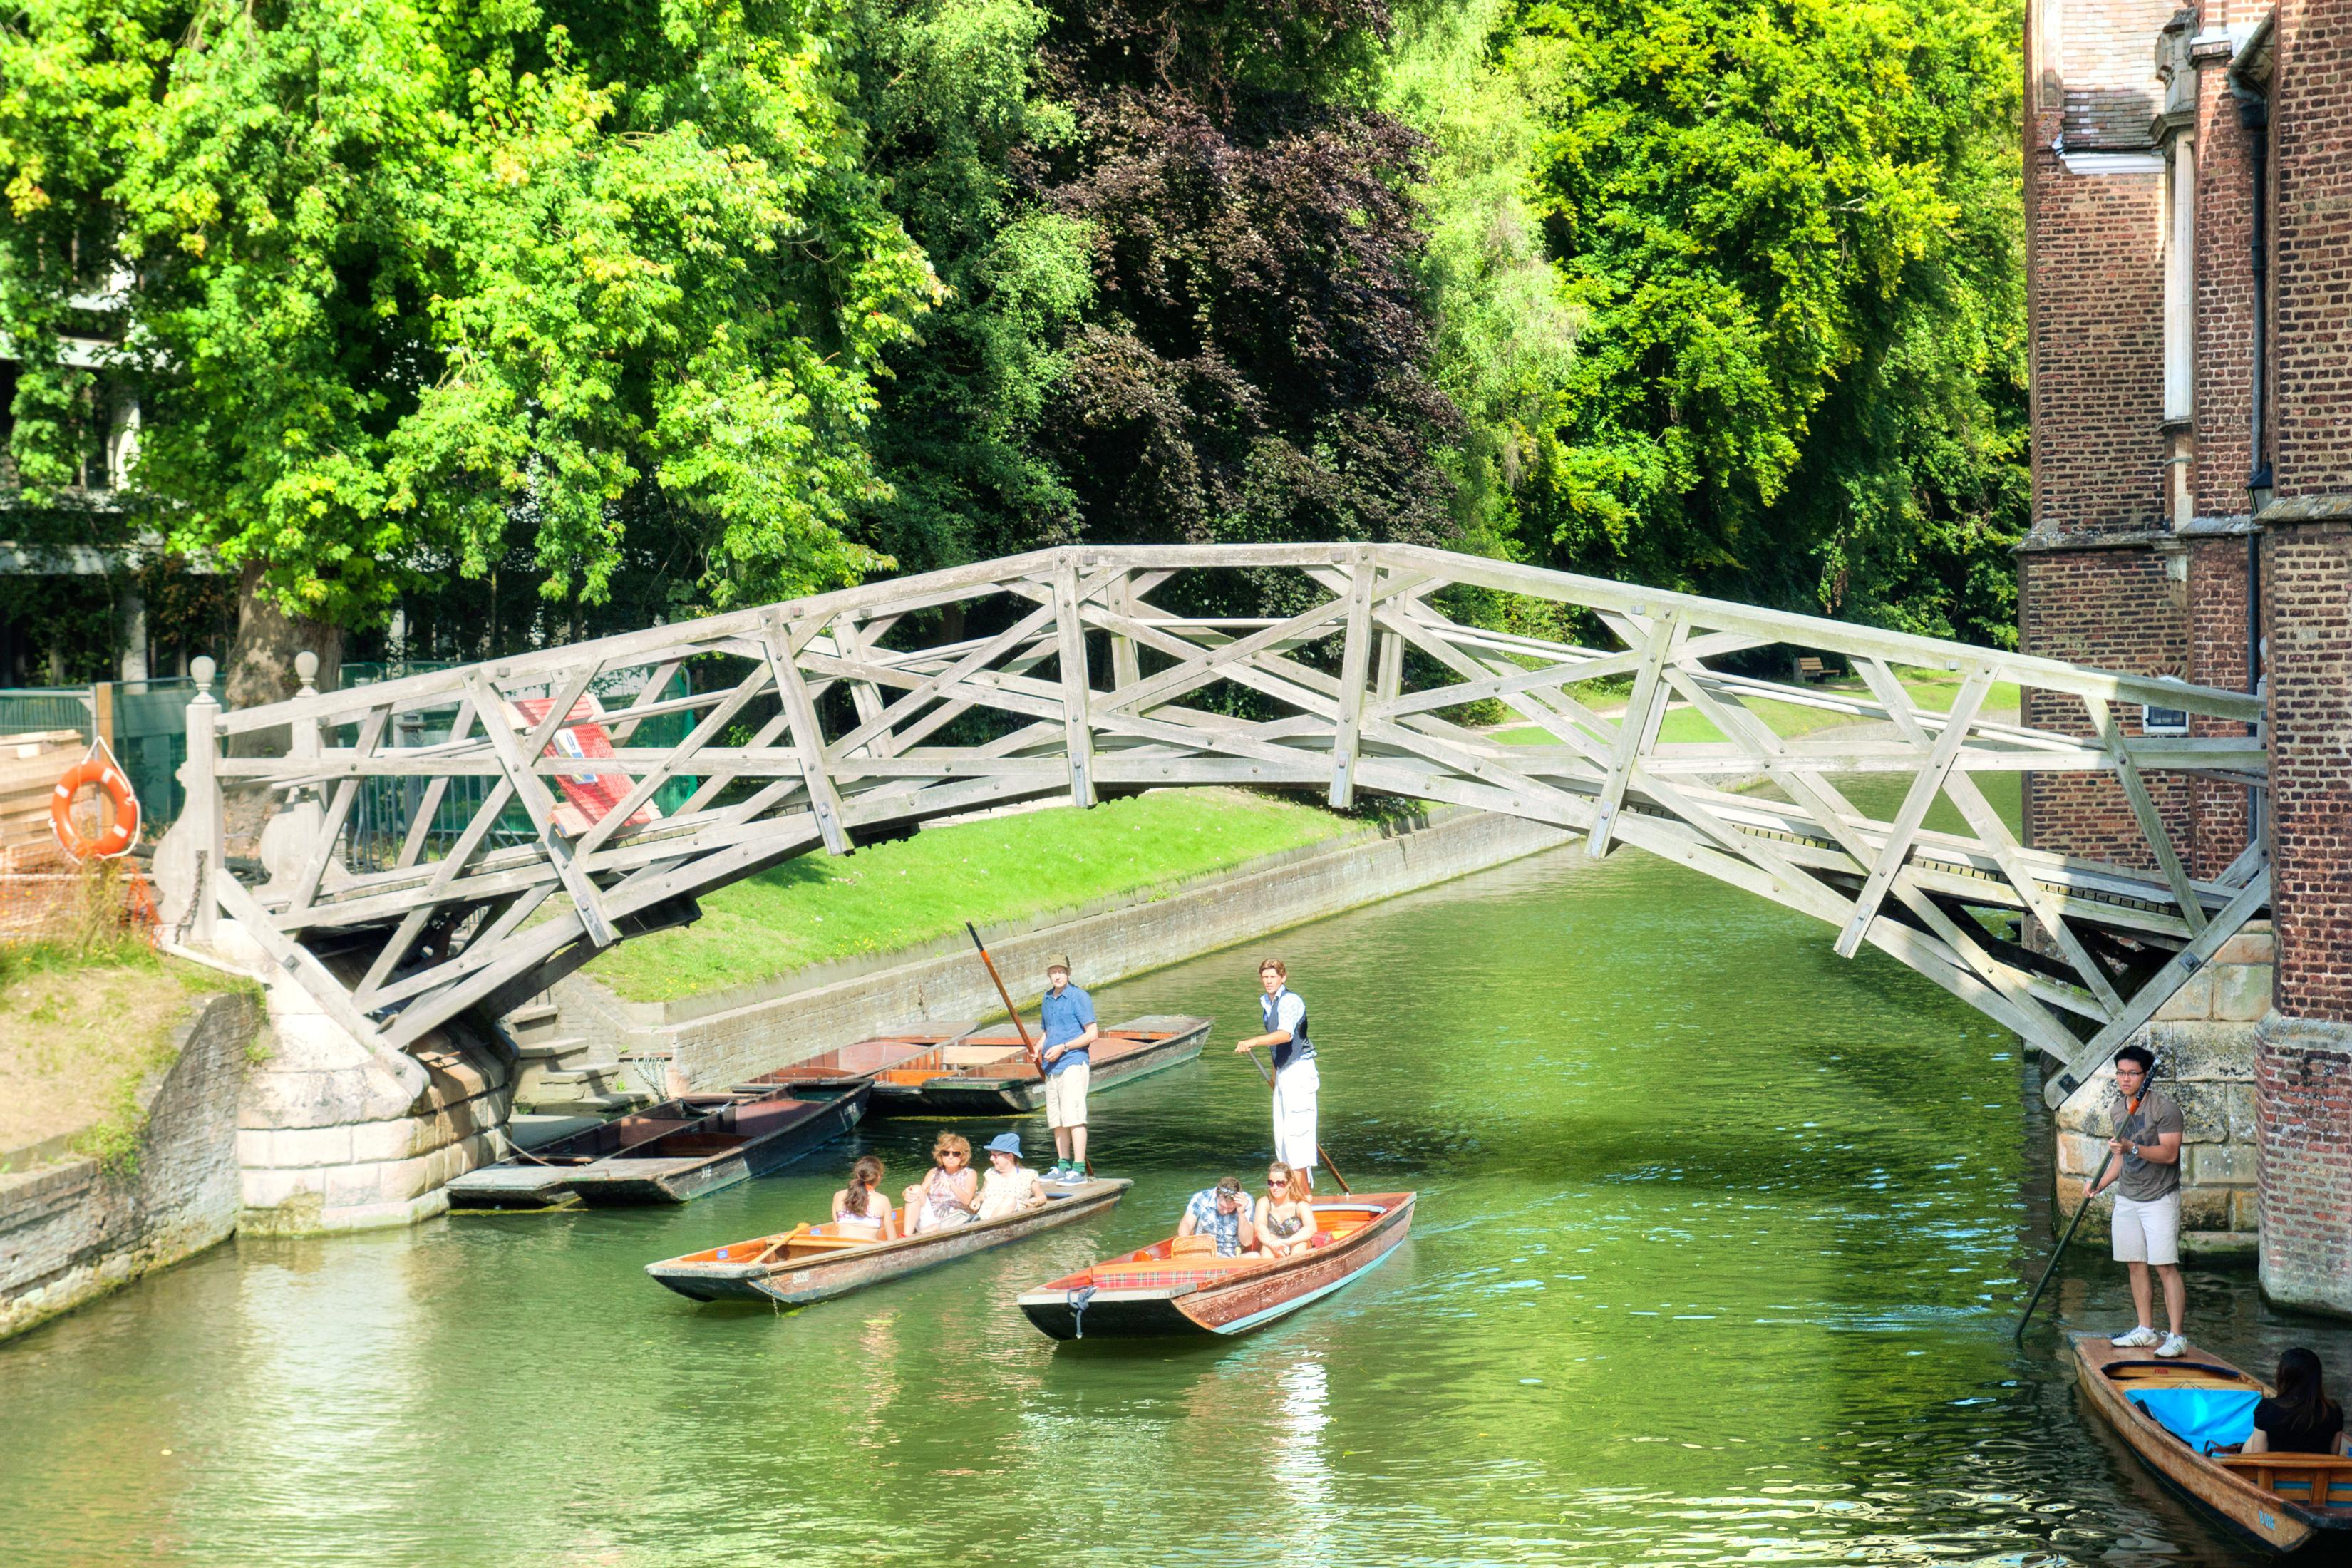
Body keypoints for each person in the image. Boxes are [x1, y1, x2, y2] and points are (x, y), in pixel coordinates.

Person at [2091, 1044, 2187, 1358]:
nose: (2125, 1078)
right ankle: (2145, 1330)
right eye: (2120, 1072)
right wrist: (2098, 1185)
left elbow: (2169, 1154)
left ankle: (2176, 1336)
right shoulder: (2117, 1111)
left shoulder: (2165, 1110)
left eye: (2132, 1073)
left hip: (2160, 1198)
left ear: (2146, 1076)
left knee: (2165, 1267)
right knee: (2135, 1265)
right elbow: (2120, 1163)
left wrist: (2133, 1147)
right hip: (2128, 1198)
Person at [1234, 956, 1318, 1192]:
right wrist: (1274, 1076)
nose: (1268, 981)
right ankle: (1293, 1198)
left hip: (1300, 1072)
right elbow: (1276, 1049)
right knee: (1282, 1139)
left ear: (1283, 978)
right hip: (1284, 1073)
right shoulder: (1267, 1003)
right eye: (1265, 977)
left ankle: (1306, 1200)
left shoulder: (1291, 1001)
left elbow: (1285, 1035)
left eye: (1273, 977)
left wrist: (1254, 1041)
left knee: (1297, 1138)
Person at [1037, 954, 1098, 1182]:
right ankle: (1063, 1165)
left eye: (1061, 971)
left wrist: (1063, 1047)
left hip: (1073, 1062)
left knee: (1074, 1116)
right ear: (1049, 974)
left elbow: (1092, 1033)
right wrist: (1037, 1047)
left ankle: (1079, 1168)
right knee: (1057, 1119)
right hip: (1051, 1066)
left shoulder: (1079, 997)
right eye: (1054, 971)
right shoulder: (1047, 998)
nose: (1058, 975)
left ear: (1069, 972)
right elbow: (1047, 1031)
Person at [2246, 1348, 2349, 1455]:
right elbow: (2334, 1456)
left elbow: (2258, 1458)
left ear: (2283, 1376)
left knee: (2252, 1438)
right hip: (2315, 1471)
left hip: (2277, 1471)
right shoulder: (2334, 1411)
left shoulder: (2266, 1408)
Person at [903, 1131, 979, 1235]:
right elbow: (920, 1192)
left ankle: (915, 1237)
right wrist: (906, 1193)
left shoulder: (970, 1174)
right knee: (915, 1189)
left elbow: (967, 1200)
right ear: (941, 1155)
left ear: (962, 1156)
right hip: (931, 1218)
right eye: (946, 1153)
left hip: (953, 1221)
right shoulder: (934, 1172)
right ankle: (906, 1236)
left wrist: (952, 1185)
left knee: (938, 1226)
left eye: (956, 1154)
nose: (950, 1157)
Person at [1177, 1175, 1257, 1258]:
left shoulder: (1246, 1202)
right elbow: (1186, 1223)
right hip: (1203, 1255)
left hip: (1233, 1257)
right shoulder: (1200, 1198)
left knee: (1255, 1256)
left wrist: (1241, 1213)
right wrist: (1186, 1245)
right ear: (1217, 1195)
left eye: (1230, 1208)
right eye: (1222, 1206)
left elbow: (1247, 1242)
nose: (1226, 1211)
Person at [975, 1132, 1048, 1221]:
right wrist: (977, 1200)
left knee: (1010, 1201)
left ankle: (987, 1226)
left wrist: (1037, 1201)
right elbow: (982, 1194)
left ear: (1009, 1156)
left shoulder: (1028, 1175)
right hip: (983, 1217)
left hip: (1009, 1217)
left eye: (995, 1155)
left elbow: (1041, 1196)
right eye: (991, 1155)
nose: (991, 1159)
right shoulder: (990, 1173)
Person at [1253, 1161, 1318, 1259]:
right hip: (1273, 1245)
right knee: (1267, 1249)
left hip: (1297, 1245)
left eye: (1280, 1183)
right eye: (1271, 1183)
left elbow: (1311, 1228)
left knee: (1301, 1244)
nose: (1275, 1187)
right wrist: (1271, 1243)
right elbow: (1260, 1227)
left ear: (1290, 1183)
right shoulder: (1264, 1202)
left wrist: (1286, 1242)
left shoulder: (1301, 1205)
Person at [832, 1154, 898, 1241]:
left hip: (841, 1248)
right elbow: (892, 1239)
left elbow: (836, 1229)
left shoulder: (838, 1195)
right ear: (878, 1177)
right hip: (867, 1248)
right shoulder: (883, 1200)